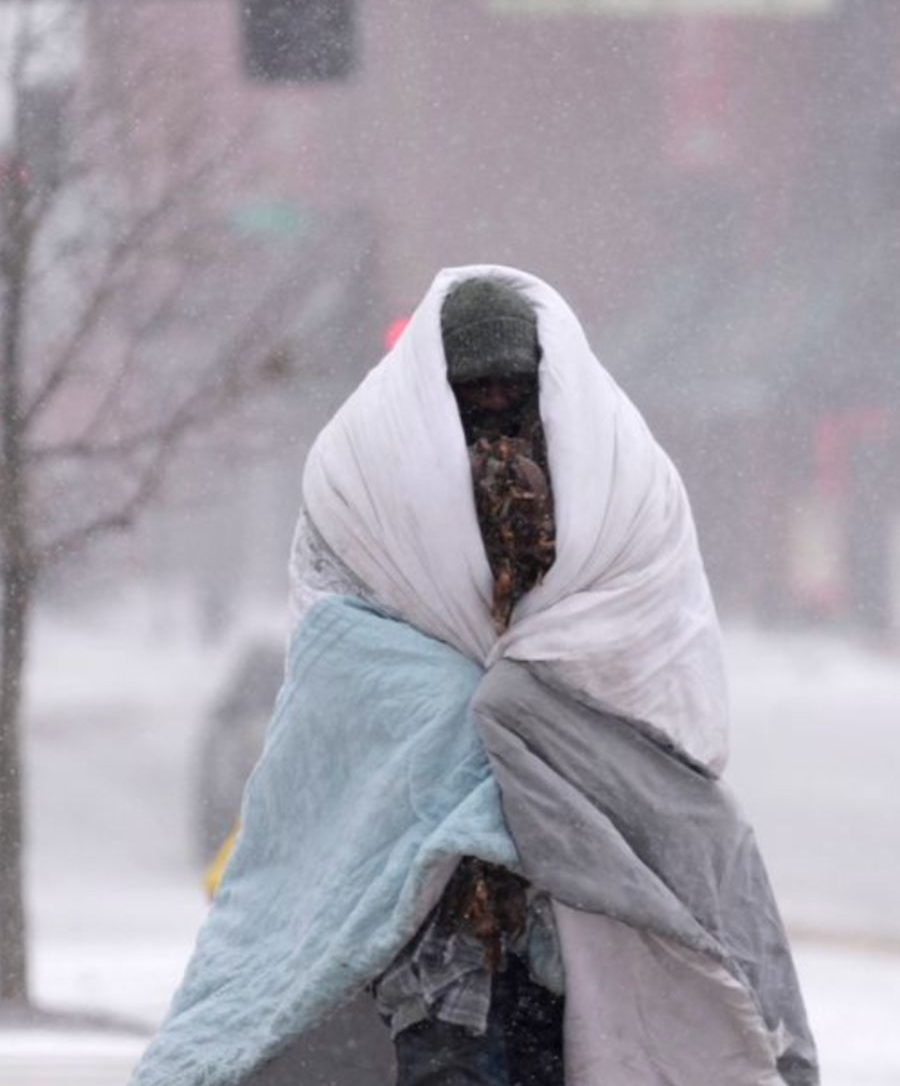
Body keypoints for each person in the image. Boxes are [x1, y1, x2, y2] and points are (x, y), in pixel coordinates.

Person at [129, 266, 818, 1086]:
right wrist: (480, 713)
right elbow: (345, 651)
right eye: (473, 391)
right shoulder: (374, 480)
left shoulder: (610, 482)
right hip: (443, 937)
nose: (492, 409)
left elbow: (648, 650)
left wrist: (524, 710)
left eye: (509, 389)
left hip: (561, 913)